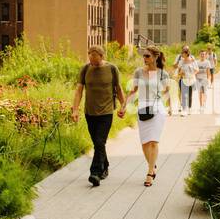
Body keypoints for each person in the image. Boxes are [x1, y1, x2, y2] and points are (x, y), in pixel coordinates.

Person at [71, 44, 126, 186]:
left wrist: (123, 106)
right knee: (97, 143)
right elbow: (79, 91)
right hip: (90, 112)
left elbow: (118, 88)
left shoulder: (112, 69)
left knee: (100, 142)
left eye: (94, 57)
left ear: (102, 56)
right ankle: (105, 166)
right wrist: (75, 110)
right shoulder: (85, 69)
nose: (91, 60)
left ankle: (94, 173)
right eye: (89, 56)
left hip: (106, 112)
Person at [118, 48, 172, 186]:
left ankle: (149, 173)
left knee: (153, 141)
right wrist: (123, 106)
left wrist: (168, 106)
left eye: (147, 56)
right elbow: (133, 91)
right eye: (144, 56)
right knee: (145, 143)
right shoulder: (139, 72)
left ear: (155, 57)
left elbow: (167, 92)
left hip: (157, 109)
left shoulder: (162, 74)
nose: (145, 58)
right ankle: (152, 166)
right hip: (143, 107)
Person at [176, 46, 199, 114]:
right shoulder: (181, 61)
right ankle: (184, 110)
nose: (181, 54)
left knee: (189, 94)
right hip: (183, 79)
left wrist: (192, 75)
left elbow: (197, 69)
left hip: (191, 80)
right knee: (183, 95)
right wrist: (180, 73)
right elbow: (178, 71)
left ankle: (189, 108)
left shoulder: (192, 60)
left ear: (186, 53)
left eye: (183, 53)